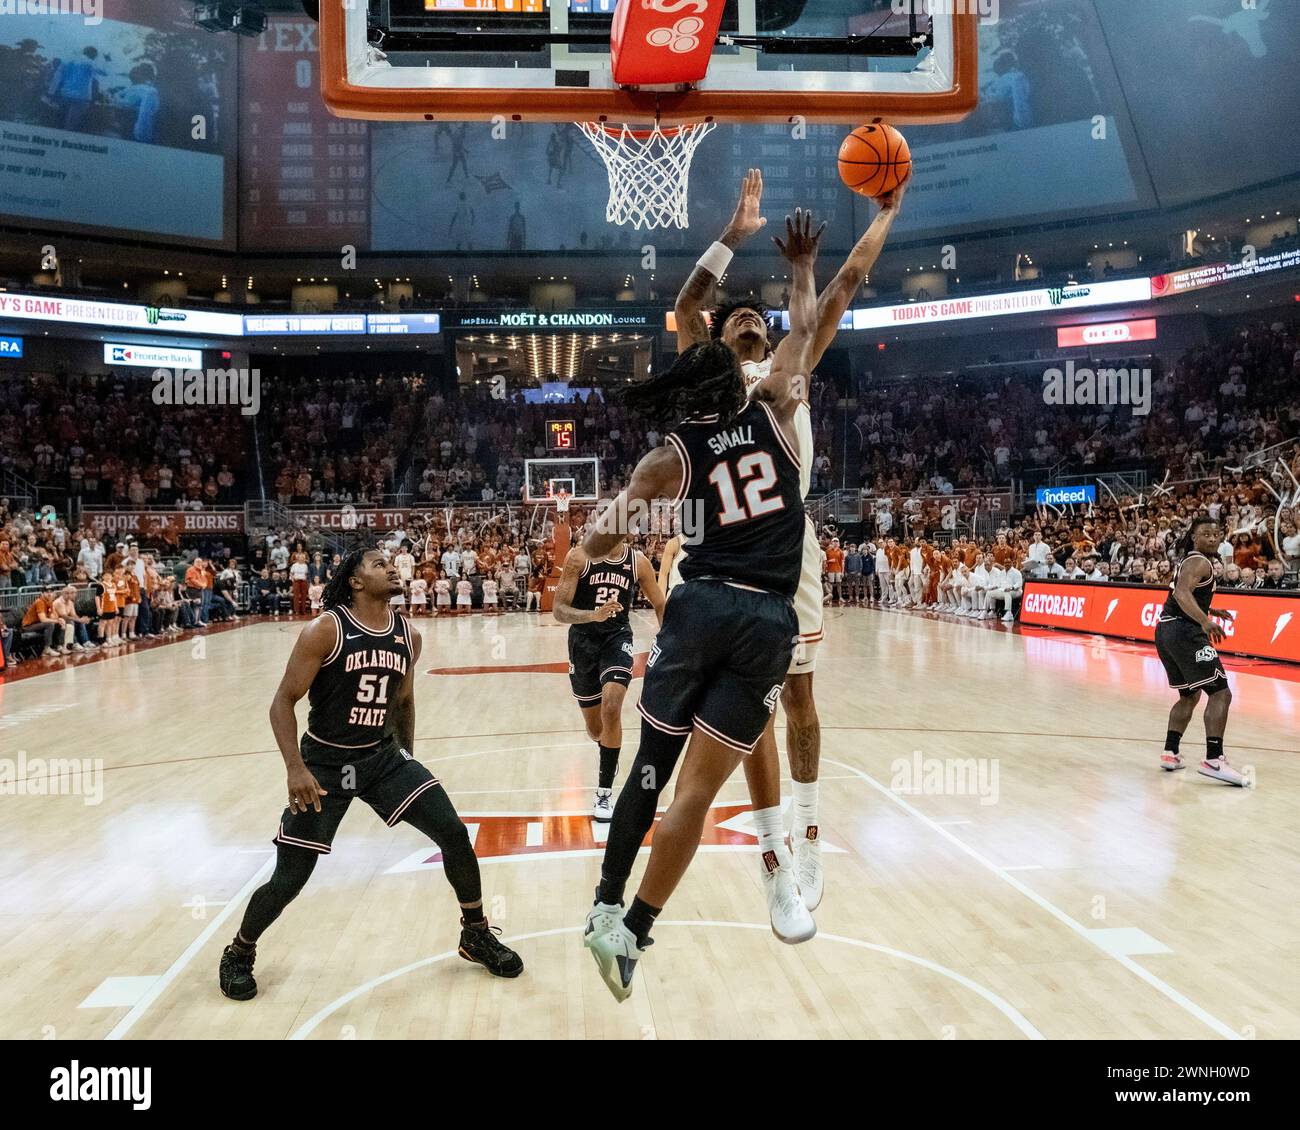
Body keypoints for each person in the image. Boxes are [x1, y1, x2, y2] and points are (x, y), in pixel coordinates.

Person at [583, 212, 820, 1000]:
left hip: (697, 607)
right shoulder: (779, 410)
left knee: (651, 771)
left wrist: (605, 534)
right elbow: (807, 327)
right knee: (697, 793)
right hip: (767, 622)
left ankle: (604, 908)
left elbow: (599, 544)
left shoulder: (668, 455)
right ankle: (635, 938)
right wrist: (801, 269)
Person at [671, 170, 905, 916]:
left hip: (783, 544)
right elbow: (686, 306)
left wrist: (884, 215)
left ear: (770, 337)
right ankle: (771, 847)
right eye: (733, 314)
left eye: (754, 316)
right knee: (752, 706)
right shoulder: (706, 375)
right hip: (715, 549)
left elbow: (843, 286)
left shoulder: (788, 371)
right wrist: (734, 234)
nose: (743, 317)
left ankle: (805, 833)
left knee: (799, 696)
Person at [218, 548, 522, 1001]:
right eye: (379, 564)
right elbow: (283, 701)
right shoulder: (326, 629)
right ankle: (239, 951)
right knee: (291, 876)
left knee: (454, 832)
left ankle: (474, 933)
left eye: (393, 563)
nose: (392, 567)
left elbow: (402, 702)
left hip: (382, 758)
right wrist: (295, 769)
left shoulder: (408, 635)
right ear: (356, 581)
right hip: (324, 765)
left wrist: (409, 761)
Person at [553, 539, 665, 820]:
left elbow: (660, 602)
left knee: (612, 706)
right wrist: (593, 614)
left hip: (617, 639)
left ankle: (604, 793)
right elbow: (559, 609)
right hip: (583, 643)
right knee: (595, 729)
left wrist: (669, 640)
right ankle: (608, 754)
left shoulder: (637, 561)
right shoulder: (579, 557)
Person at [1154, 517, 1246, 786]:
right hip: (1185, 631)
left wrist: (1209, 610)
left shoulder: (1192, 561)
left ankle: (1170, 752)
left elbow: (1178, 595)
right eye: (1205, 534)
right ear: (1193, 537)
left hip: (1165, 629)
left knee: (1190, 694)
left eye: (1216, 534)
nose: (1212, 538)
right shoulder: (1199, 562)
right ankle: (1214, 759)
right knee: (1220, 692)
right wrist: (1205, 621)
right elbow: (1182, 593)